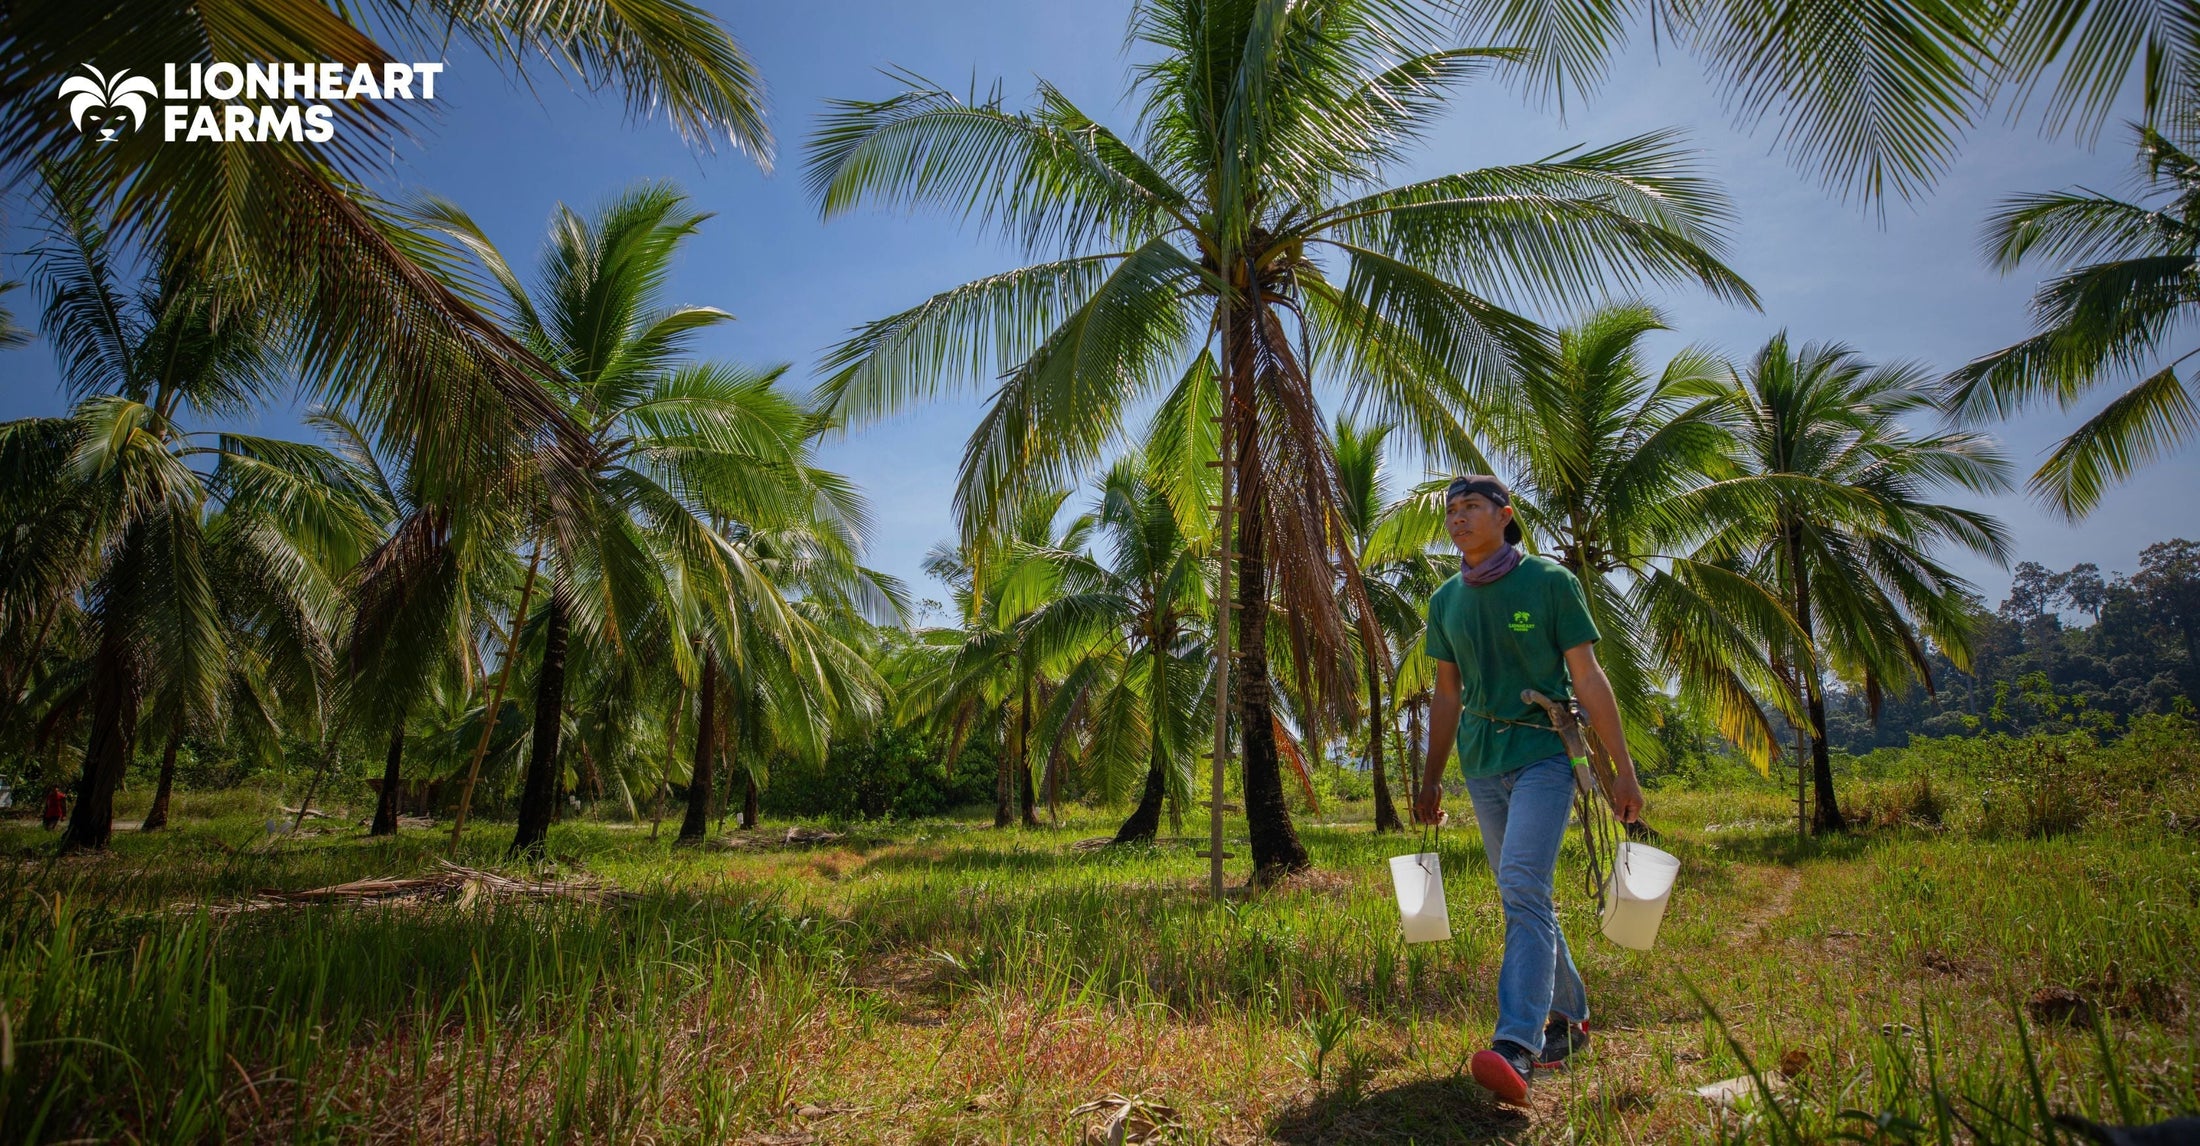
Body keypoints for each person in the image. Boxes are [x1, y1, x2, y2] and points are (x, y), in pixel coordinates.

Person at [1414, 475, 1645, 1106]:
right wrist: (1431, 779)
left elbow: (1588, 677)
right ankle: (1571, 1015)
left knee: (1520, 883)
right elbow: (1447, 695)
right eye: (1451, 511)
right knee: (1523, 893)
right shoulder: (1446, 600)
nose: (1458, 519)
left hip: (1544, 753)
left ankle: (1517, 1042)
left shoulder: (1549, 582)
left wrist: (1623, 768)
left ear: (1504, 514)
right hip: (1481, 763)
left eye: (1471, 507)